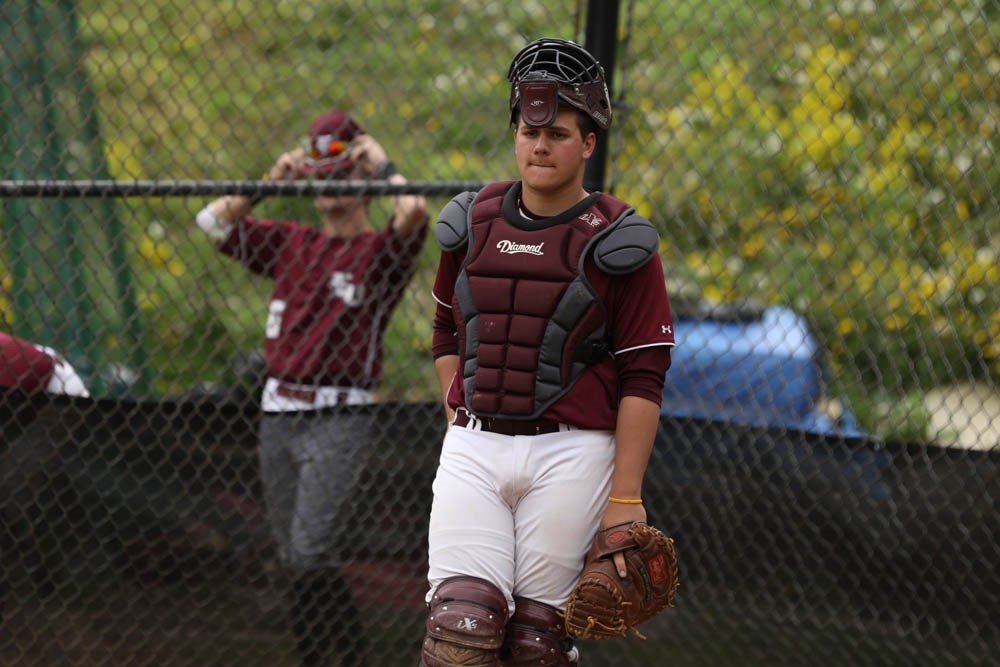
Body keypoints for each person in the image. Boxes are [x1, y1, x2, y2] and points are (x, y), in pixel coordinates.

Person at [421, 38, 675, 666]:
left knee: (536, 644)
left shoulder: (622, 240)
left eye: (558, 133)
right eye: (529, 130)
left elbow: (644, 376)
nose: (540, 145)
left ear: (588, 144)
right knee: (461, 628)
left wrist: (626, 498)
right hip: (475, 444)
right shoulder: (471, 220)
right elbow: (446, 333)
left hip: (573, 451)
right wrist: (461, 423)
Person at [194, 109, 428, 667]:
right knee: (292, 554)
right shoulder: (292, 243)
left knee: (310, 548)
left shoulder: (379, 254)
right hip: (278, 411)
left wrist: (380, 163)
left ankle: (347, 656)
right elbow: (213, 223)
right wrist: (273, 181)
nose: (330, 186)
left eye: (342, 175)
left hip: (338, 415)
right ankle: (317, 657)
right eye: (322, 176)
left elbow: (414, 209)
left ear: (362, 183)